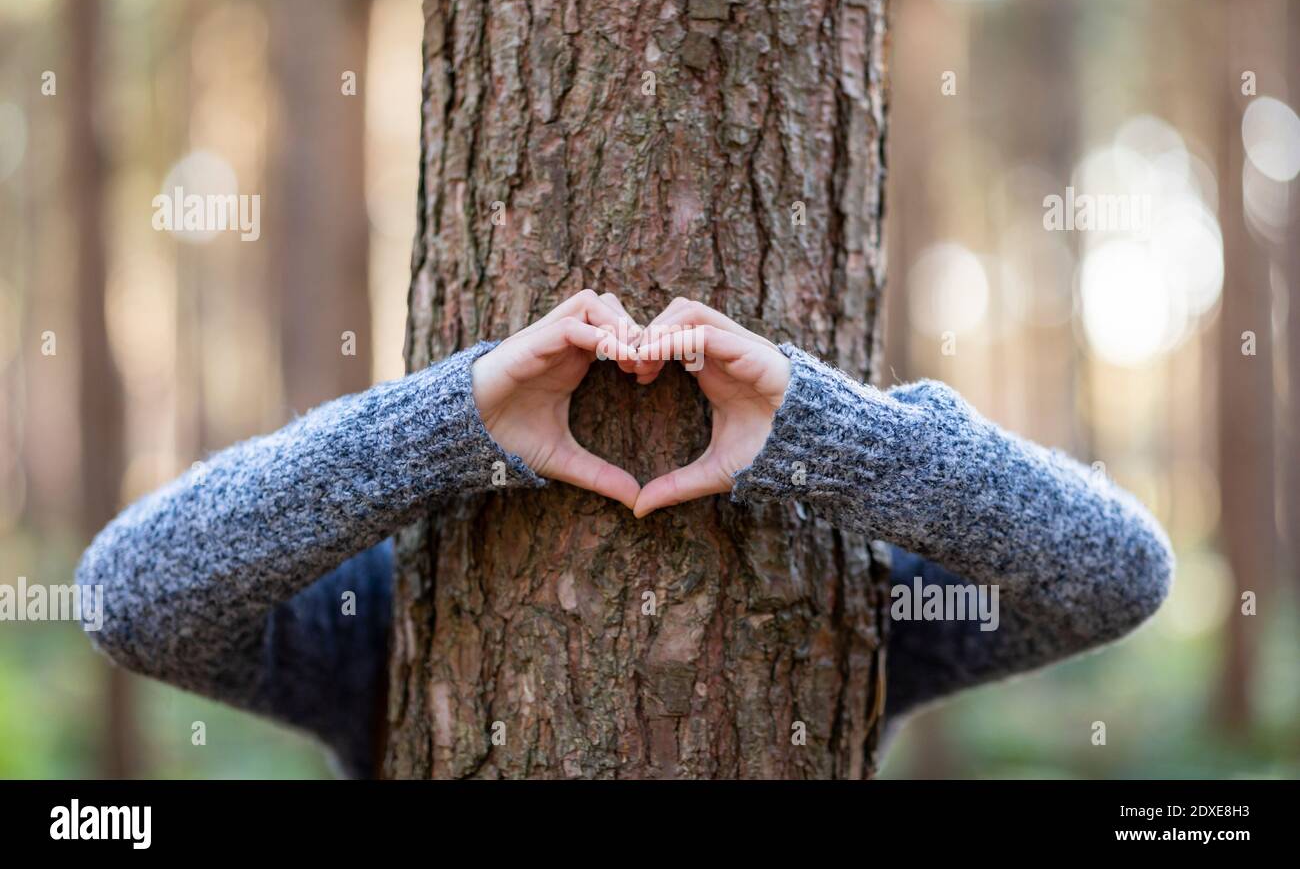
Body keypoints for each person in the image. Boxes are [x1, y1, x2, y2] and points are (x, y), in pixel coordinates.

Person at [74, 290, 1174, 777]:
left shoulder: (857, 603)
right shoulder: (376, 624)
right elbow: (130, 594)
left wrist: (835, 435)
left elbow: (1116, 572)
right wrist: (449, 423)